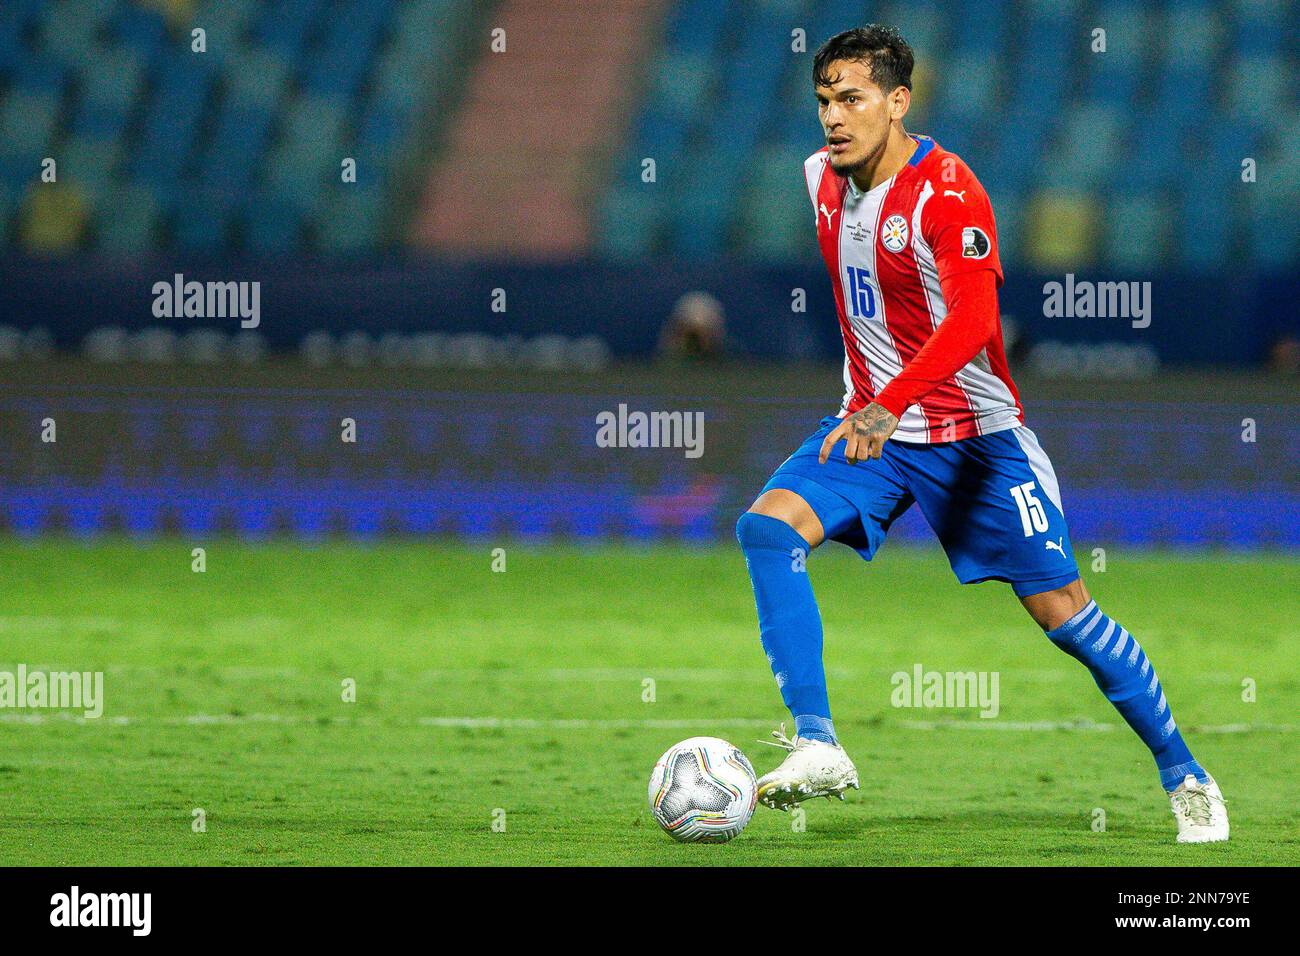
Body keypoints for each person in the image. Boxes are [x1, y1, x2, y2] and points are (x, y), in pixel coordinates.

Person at [735, 25, 1228, 843]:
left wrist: (891, 399)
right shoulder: (820, 178)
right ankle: (819, 744)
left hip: (973, 438)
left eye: (851, 99)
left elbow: (971, 318)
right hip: (874, 432)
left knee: (1064, 613)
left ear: (898, 102)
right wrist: (879, 406)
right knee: (764, 528)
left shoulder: (949, 192)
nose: (832, 117)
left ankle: (1185, 773)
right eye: (824, 100)